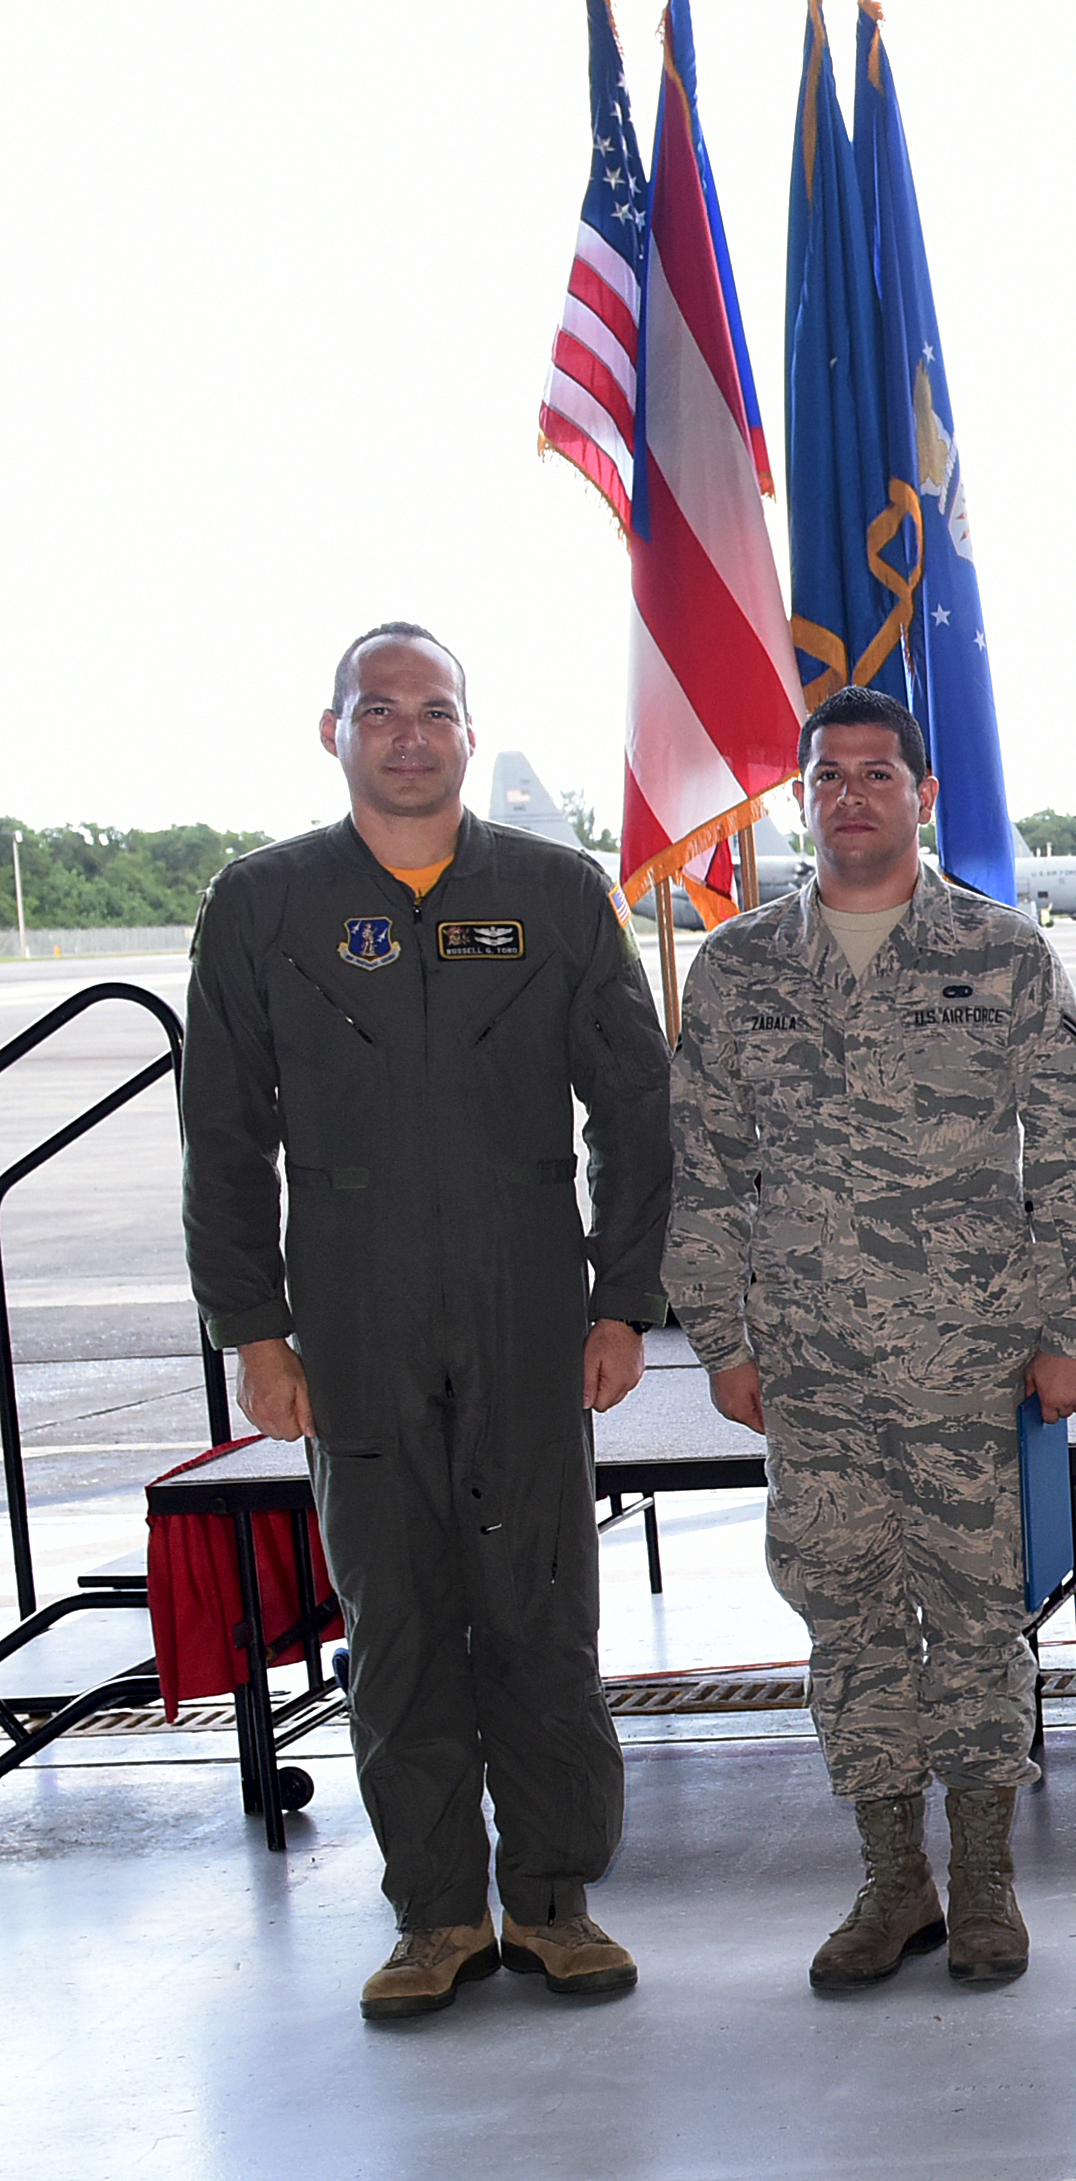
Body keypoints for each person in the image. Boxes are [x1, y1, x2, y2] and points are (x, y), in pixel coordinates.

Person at [180, 622, 671, 2020]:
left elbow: (635, 1112)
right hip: (348, 1300)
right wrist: (253, 1328)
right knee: (392, 1611)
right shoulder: (264, 904)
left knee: (541, 1606)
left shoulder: (556, 895)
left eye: (434, 710)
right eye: (378, 710)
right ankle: (436, 1913)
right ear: (330, 730)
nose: (409, 734)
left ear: (469, 731)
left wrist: (623, 1299)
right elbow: (221, 1134)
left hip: (526, 1294)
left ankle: (558, 1901)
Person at [667, 685, 1076, 1992]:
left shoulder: (1001, 955)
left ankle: (983, 1880)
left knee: (980, 1617)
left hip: (970, 1357)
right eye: (829, 776)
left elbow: (1074, 1156)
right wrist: (723, 1339)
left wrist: (1066, 1321)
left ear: (923, 795)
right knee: (845, 1616)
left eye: (879, 773)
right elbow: (699, 1174)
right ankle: (891, 1878)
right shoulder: (742, 967)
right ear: (803, 798)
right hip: (809, 1370)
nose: (852, 794)